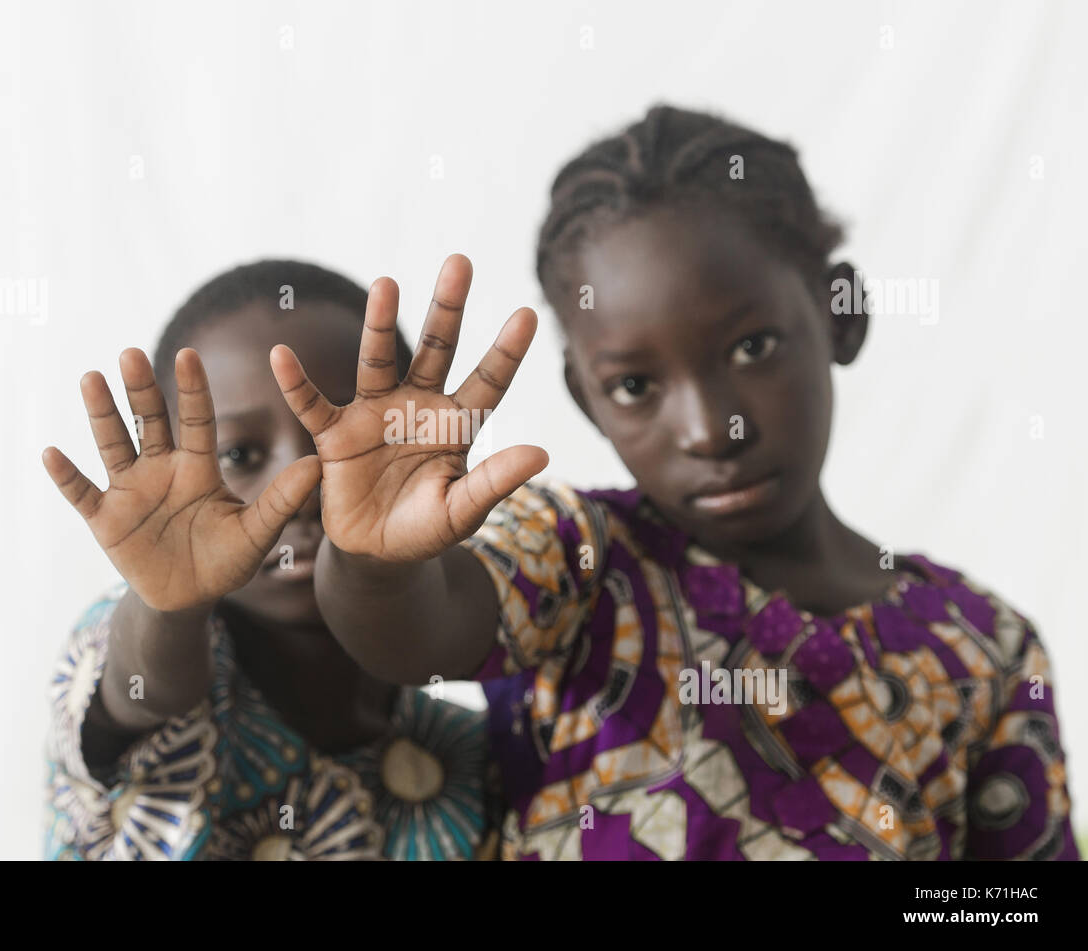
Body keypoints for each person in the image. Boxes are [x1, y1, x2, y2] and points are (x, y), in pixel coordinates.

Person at [272, 106, 1080, 860]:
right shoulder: (578, 559)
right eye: (634, 386)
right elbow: (418, 631)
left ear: (841, 314)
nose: (708, 430)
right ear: (586, 398)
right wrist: (376, 563)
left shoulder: (983, 645)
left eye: (753, 347)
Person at [40, 261, 499, 860]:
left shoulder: (459, 748)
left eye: (340, 440)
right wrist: (169, 608)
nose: (298, 484)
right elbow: (147, 689)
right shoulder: (148, 642)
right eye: (239, 453)